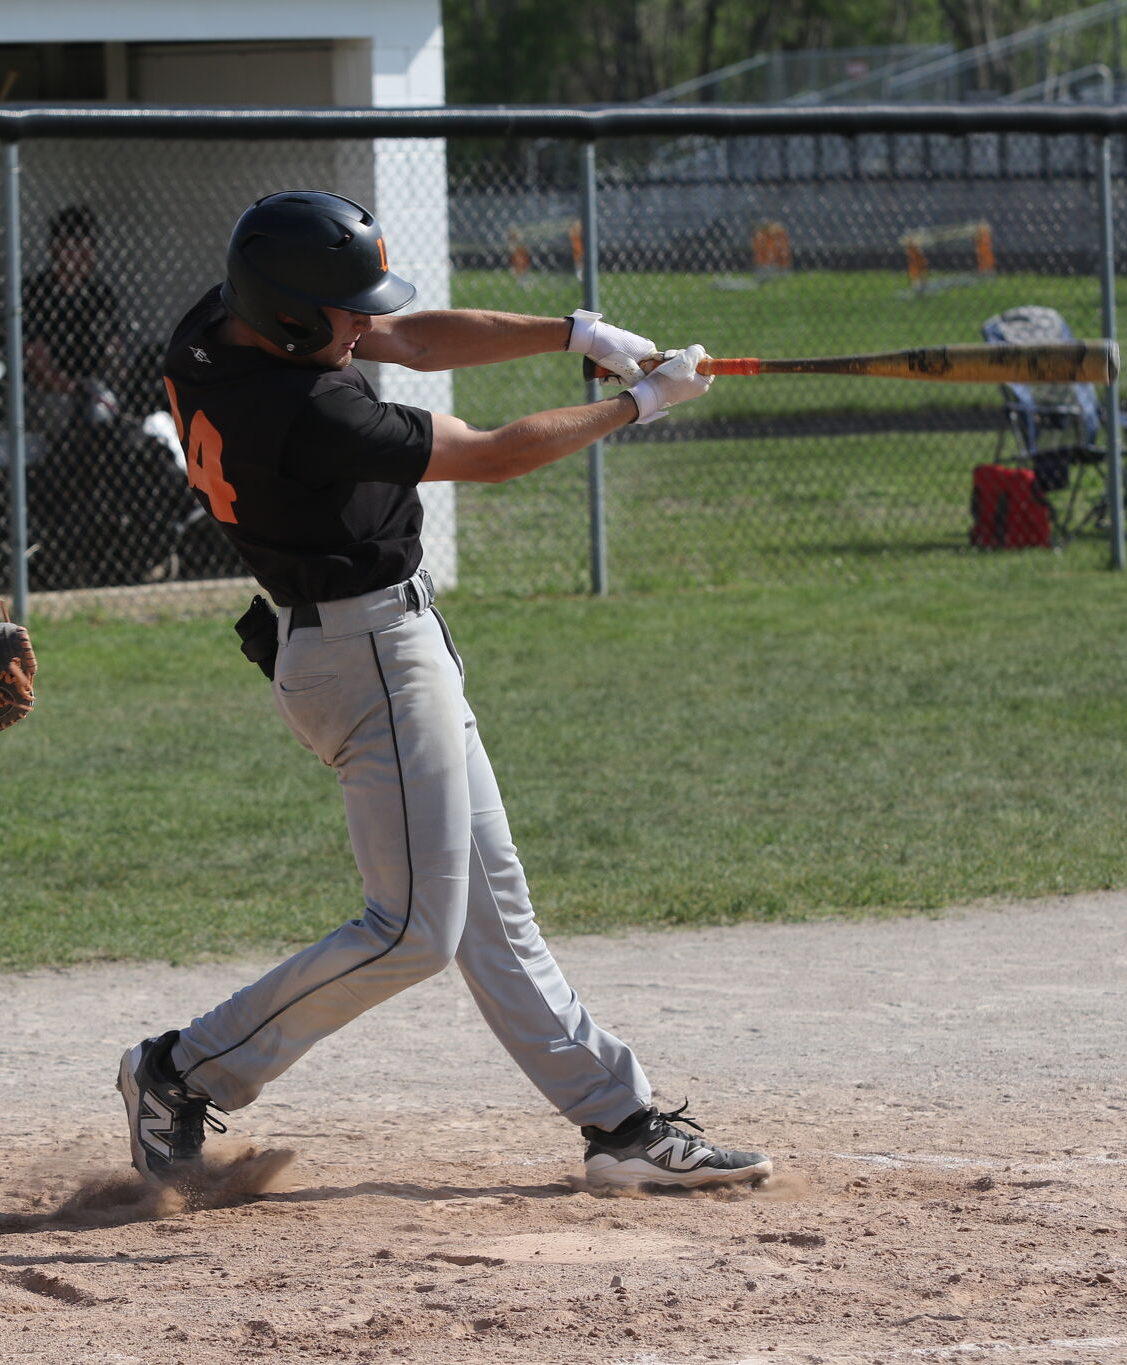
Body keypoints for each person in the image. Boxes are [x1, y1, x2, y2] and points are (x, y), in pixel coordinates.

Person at [125, 190, 769, 1193]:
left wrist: (577, 332)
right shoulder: (309, 413)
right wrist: (638, 404)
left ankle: (621, 1124)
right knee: (411, 929)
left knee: (493, 913)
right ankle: (182, 1069)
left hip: (365, 644)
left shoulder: (222, 326)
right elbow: (495, 454)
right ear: (289, 316)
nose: (364, 326)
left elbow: (412, 337)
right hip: (367, 658)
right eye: (344, 313)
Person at [22, 206, 184, 588]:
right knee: (95, 420)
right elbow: (37, 365)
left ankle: (136, 542)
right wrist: (80, 389)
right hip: (50, 394)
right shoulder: (35, 292)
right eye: (71, 247)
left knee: (126, 433)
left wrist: (112, 377)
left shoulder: (99, 294)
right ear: (54, 250)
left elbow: (116, 357)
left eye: (86, 248)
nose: (80, 257)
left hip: (98, 396)